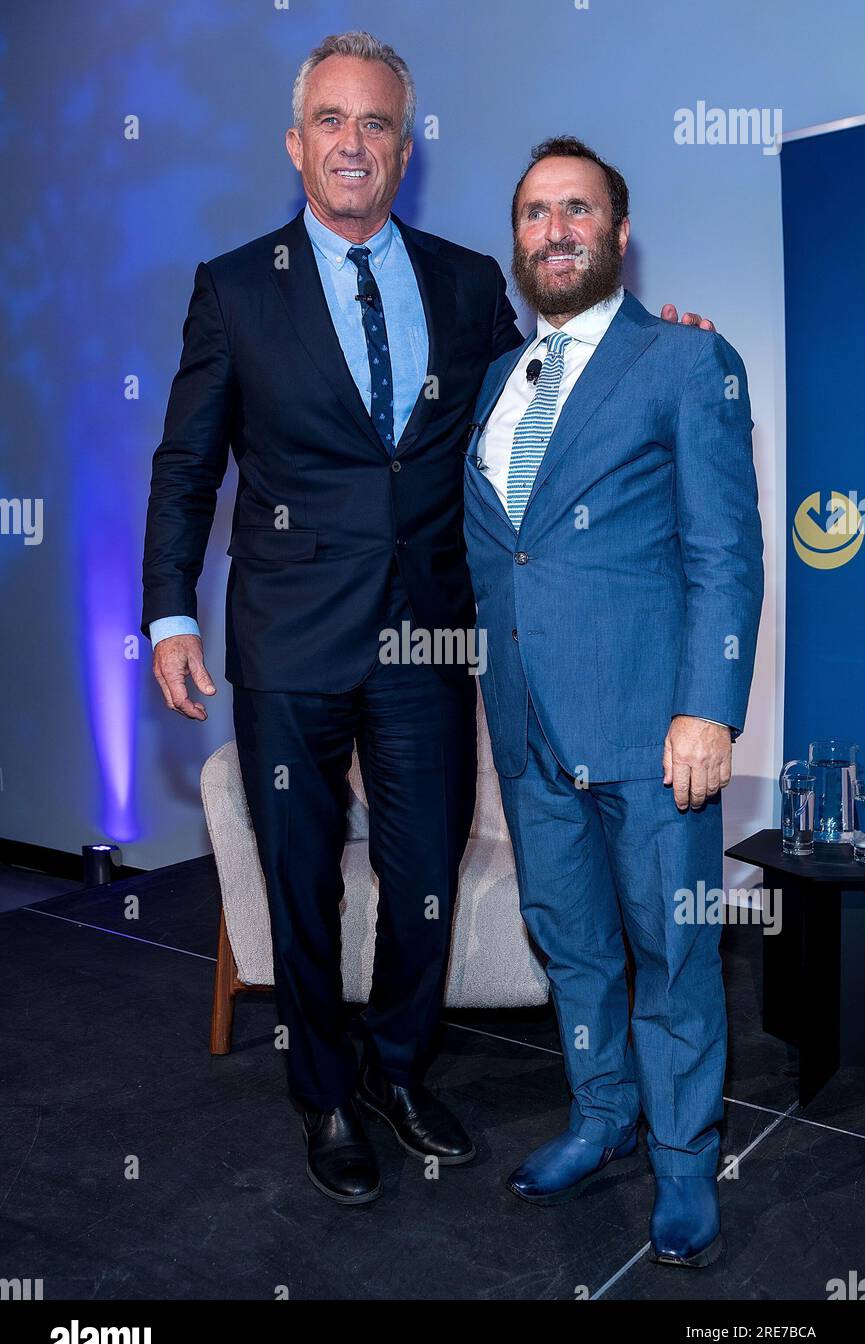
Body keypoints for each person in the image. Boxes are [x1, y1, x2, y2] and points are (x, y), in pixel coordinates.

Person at [142, 32, 712, 1206]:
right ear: (297, 144)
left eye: (379, 123)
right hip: (290, 639)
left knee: (422, 877)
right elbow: (185, 466)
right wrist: (165, 615)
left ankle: (399, 1069)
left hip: (431, 640)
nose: (356, 144)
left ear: (407, 146)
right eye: (333, 123)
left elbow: (547, 402)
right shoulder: (237, 287)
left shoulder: (464, 283)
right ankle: (325, 1095)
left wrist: (663, 351)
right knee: (300, 882)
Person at [463, 136, 763, 1265]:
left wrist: (710, 705)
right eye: (534, 210)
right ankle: (601, 1117)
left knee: (671, 952)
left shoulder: (686, 362)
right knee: (572, 944)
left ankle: (686, 1164)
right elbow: (510, 557)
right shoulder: (500, 382)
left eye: (576, 207)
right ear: (518, 238)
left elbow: (724, 549)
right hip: (527, 730)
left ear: (617, 233)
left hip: (651, 730)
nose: (554, 228)